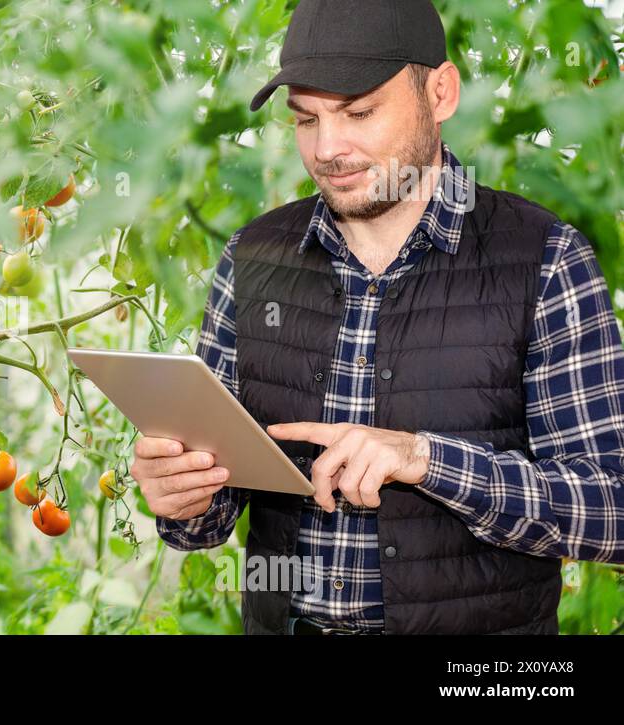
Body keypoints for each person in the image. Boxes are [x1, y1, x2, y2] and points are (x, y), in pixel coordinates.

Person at [130, 0, 624, 634]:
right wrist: (183, 496)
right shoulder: (252, 257)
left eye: (359, 112)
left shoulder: (544, 259)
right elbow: (210, 516)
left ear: (440, 93)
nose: (329, 148)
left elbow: (609, 509)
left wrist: (425, 460)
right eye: (306, 120)